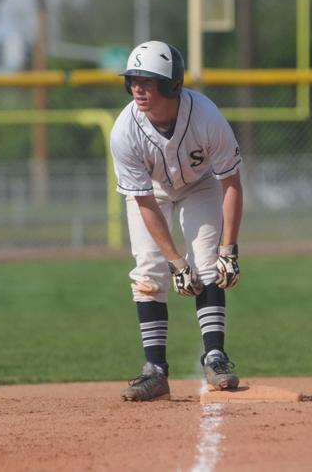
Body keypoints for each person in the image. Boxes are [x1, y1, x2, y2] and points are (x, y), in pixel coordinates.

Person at [110, 40, 244, 402]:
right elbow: (143, 200)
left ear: (171, 84)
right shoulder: (125, 130)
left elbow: (231, 183)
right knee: (149, 270)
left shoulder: (206, 117)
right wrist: (174, 262)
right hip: (151, 196)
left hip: (200, 187)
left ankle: (215, 357)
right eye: (133, 79)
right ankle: (155, 371)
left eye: (148, 80)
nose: (137, 87)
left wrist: (229, 249)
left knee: (207, 263)